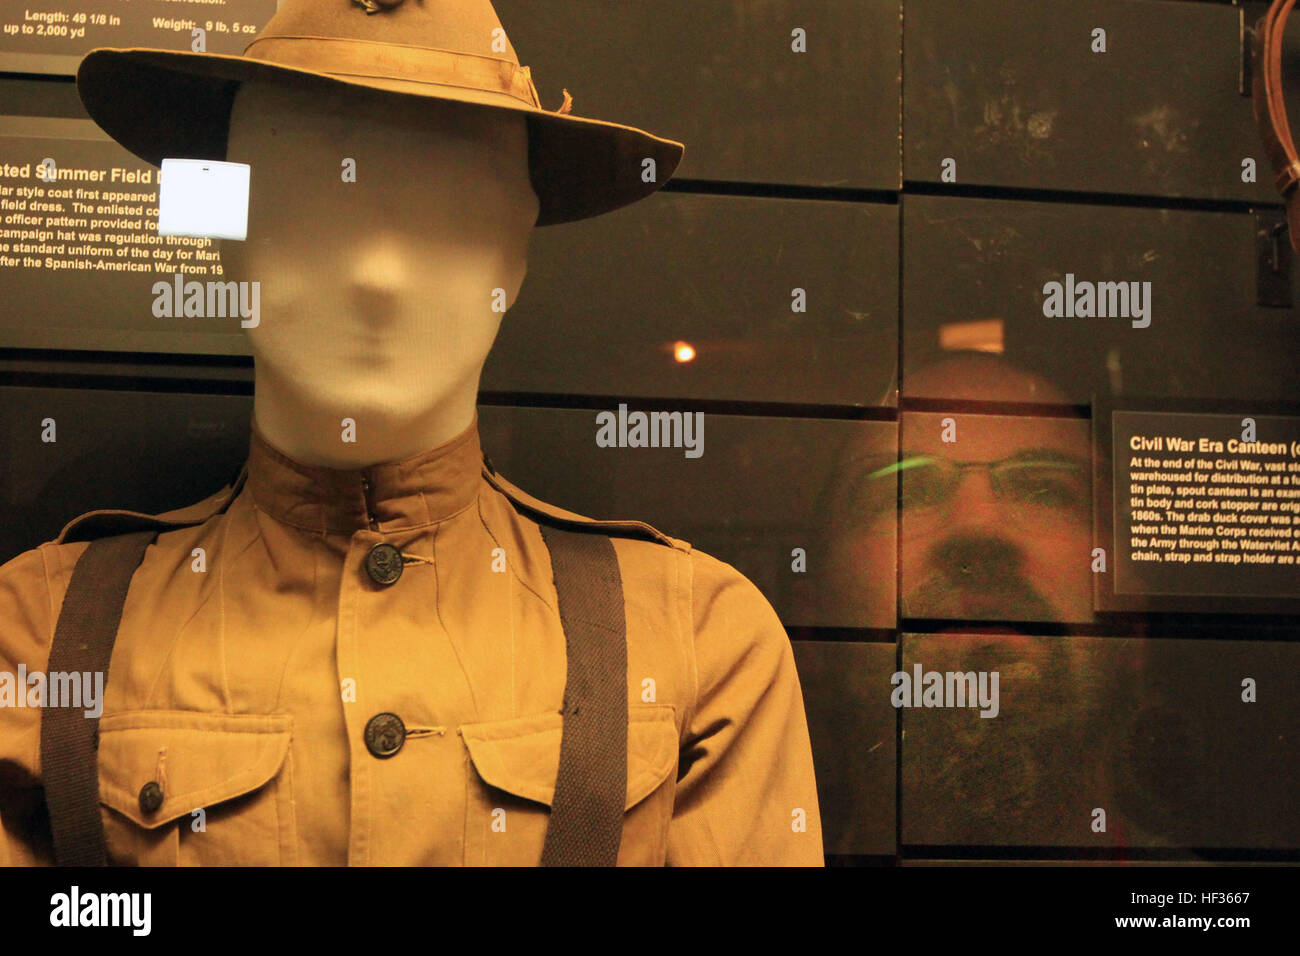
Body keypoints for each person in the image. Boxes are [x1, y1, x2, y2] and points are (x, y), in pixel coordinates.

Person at [0, 0, 822, 866]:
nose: (378, 274)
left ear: (515, 256)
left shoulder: (699, 646)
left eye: (449, 209)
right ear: (226, 241)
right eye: (312, 196)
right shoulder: (38, 633)